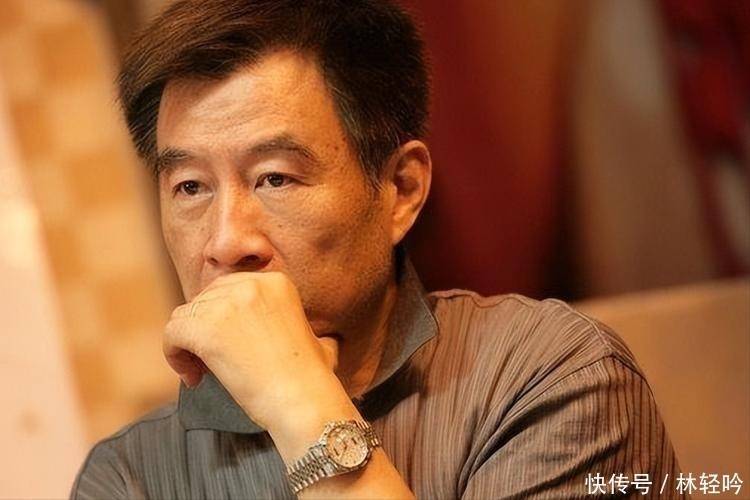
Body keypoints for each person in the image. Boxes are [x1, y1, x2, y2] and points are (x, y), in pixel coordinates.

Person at [71, 1, 685, 498]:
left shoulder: (548, 378)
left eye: (275, 178)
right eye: (190, 187)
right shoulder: (129, 477)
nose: (227, 242)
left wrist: (297, 399)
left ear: (400, 191)